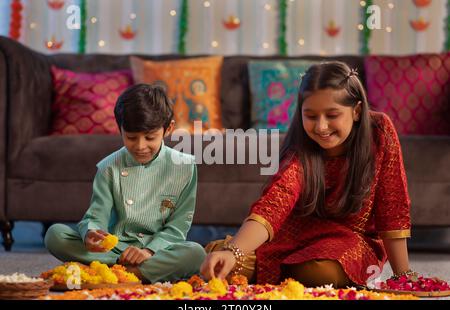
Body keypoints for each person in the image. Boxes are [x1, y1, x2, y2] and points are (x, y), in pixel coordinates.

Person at [201, 61, 413, 288]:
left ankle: (267, 266)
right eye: (311, 116)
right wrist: (235, 252)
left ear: (357, 111)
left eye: (332, 115)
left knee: (322, 271)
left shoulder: (380, 130)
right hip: (295, 236)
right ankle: (242, 254)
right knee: (224, 260)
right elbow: (274, 203)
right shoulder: (299, 148)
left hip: (351, 241)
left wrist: (403, 276)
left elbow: (392, 207)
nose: (321, 127)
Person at [45, 84, 206, 283]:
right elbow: (96, 216)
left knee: (195, 253)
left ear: (169, 129)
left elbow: (178, 227)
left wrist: (148, 250)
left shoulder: (185, 167)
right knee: (55, 235)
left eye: (150, 137)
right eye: (131, 137)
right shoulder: (108, 167)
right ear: (119, 128)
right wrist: (91, 234)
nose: (140, 146)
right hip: (114, 247)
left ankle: (112, 272)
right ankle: (133, 272)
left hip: (155, 249)